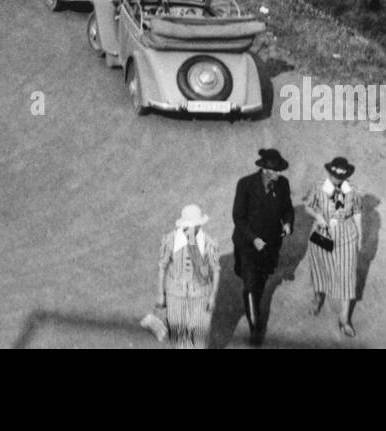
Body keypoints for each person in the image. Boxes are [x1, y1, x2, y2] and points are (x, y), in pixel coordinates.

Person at [232, 148, 293, 344]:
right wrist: (253, 239)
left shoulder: (282, 184)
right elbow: (238, 217)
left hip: (271, 245)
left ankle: (255, 303)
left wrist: (288, 223)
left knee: (261, 281)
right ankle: (255, 328)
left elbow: (288, 208)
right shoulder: (246, 184)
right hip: (248, 245)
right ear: (266, 170)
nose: (279, 174)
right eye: (276, 171)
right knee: (250, 286)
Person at [305, 156, 362, 337]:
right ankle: (318, 297)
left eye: (341, 177)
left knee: (346, 275)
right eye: (334, 175)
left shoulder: (352, 190)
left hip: (346, 237)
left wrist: (359, 236)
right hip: (322, 234)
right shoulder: (318, 186)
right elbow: (307, 206)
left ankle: (344, 319)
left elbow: (358, 213)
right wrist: (317, 216)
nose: (337, 179)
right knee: (320, 269)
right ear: (329, 172)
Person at [155, 204, 221, 349]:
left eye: (195, 226)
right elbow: (162, 267)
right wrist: (160, 294)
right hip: (175, 294)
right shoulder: (170, 240)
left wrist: (212, 297)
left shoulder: (209, 243)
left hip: (200, 294)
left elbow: (216, 270)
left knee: (199, 339)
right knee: (178, 339)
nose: (192, 229)